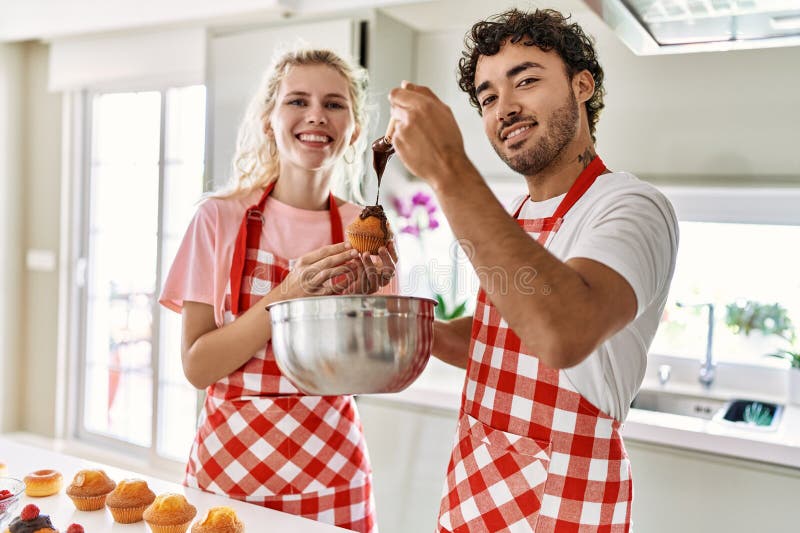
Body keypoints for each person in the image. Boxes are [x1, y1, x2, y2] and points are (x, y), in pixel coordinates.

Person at [387, 9, 678, 532]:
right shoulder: (515, 218)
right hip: (476, 492)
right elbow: (499, 340)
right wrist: (387, 323)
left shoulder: (631, 207)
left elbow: (563, 332)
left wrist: (446, 168)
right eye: (488, 96)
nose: (506, 107)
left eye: (526, 80)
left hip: (566, 501)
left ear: (582, 84)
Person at [159, 47, 396, 533]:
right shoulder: (218, 219)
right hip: (232, 471)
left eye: (334, 104)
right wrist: (288, 294)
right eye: (297, 101)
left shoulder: (367, 229)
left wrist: (371, 310)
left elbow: (376, 373)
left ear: (353, 128)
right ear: (269, 120)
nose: (316, 115)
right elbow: (198, 365)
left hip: (334, 472)